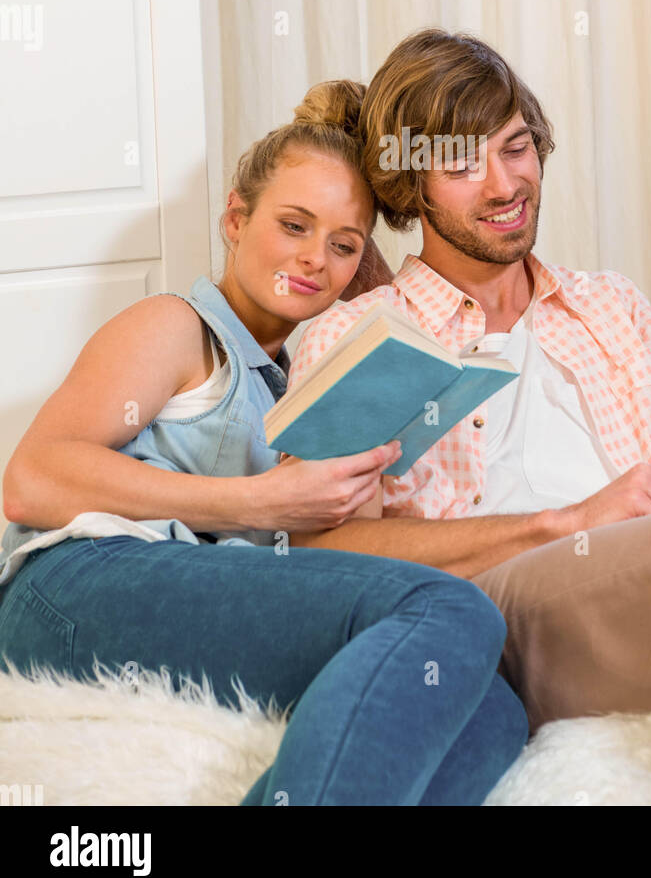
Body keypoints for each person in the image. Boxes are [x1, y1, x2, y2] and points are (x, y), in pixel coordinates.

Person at [286, 30, 651, 807]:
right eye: (463, 164)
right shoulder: (360, 336)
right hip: (507, 615)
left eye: (516, 147)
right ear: (410, 184)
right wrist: (568, 521)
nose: (504, 184)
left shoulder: (606, 303)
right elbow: (324, 549)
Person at [0, 80, 528, 807]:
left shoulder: (302, 385)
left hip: (191, 604)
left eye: (343, 245)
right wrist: (259, 501)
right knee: (451, 611)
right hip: (77, 587)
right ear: (235, 219)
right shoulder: (177, 327)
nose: (316, 259)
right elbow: (31, 479)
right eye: (293, 226)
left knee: (494, 709)